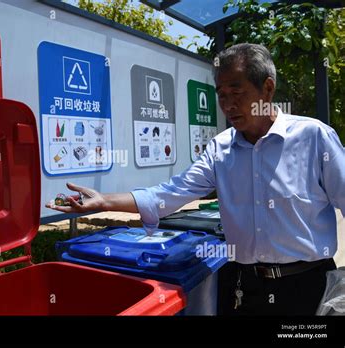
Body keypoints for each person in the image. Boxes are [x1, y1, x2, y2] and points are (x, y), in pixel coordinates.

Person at [46, 43, 345, 315]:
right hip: (244, 287)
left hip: (307, 288)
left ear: (267, 89)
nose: (227, 105)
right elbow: (171, 193)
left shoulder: (313, 138)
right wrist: (103, 201)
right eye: (221, 95)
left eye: (237, 93)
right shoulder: (221, 149)